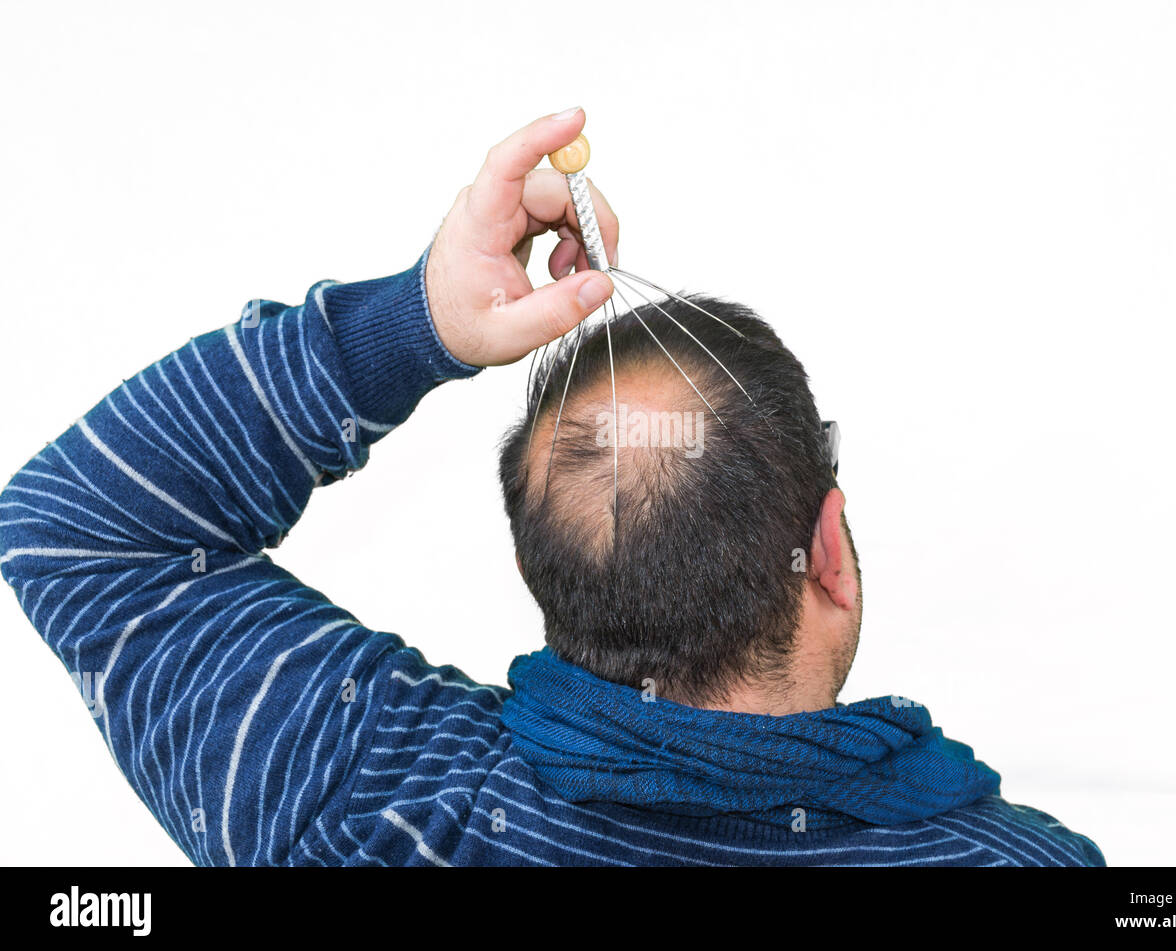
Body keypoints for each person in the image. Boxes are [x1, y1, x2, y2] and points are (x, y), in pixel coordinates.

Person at [0, 109, 1103, 866]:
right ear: (828, 549)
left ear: (550, 566)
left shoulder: (369, 795)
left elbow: (78, 530)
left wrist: (415, 325)